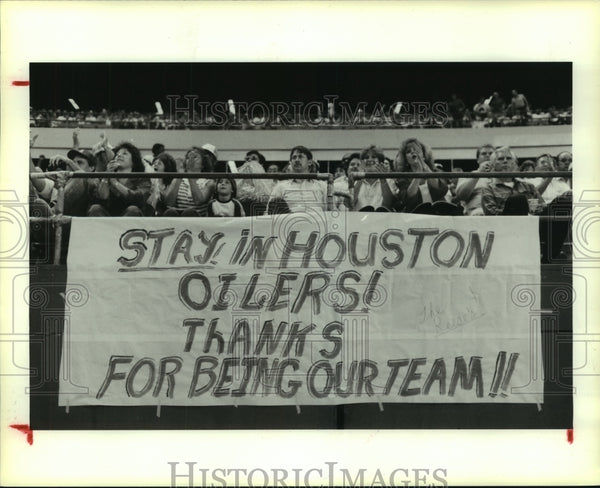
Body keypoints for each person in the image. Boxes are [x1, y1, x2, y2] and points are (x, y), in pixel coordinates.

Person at [87, 142, 152, 216]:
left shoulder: (142, 178)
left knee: (133, 209)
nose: (119, 155)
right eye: (117, 154)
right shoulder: (107, 174)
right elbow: (102, 198)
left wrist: (115, 183)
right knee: (95, 208)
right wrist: (106, 175)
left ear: (134, 160)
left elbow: (137, 198)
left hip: (131, 215)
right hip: (109, 216)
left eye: (124, 153)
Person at [481, 146, 544, 215]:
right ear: (493, 165)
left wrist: (537, 209)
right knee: (518, 198)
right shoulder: (488, 188)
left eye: (509, 158)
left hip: (532, 222)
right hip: (505, 223)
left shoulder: (528, 186)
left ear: (514, 163)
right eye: (500, 159)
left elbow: (543, 206)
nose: (505, 161)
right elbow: (491, 213)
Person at [393, 138, 448, 212]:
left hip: (438, 214)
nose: (413, 152)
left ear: (424, 155)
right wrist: (418, 171)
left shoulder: (435, 171)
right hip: (416, 217)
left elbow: (442, 189)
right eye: (409, 151)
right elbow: (407, 199)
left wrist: (424, 167)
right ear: (406, 160)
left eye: (416, 150)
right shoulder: (403, 178)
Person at [267, 145, 327, 213]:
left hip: (317, 222)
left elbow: (331, 212)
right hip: (289, 222)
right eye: (294, 157)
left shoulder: (322, 186)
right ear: (290, 162)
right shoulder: (280, 187)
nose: (297, 160)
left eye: (300, 157)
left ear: (309, 162)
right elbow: (269, 213)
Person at [163, 146, 216, 216]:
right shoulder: (176, 179)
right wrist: (180, 176)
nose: (191, 160)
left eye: (195, 157)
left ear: (203, 163)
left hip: (196, 218)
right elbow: (169, 203)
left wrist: (190, 172)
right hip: (179, 215)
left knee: (189, 213)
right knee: (170, 212)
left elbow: (198, 201)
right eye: (188, 158)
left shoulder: (209, 182)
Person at [352, 145, 397, 211]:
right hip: (359, 219)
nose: (370, 160)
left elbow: (388, 205)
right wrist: (361, 176)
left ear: (380, 161)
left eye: (374, 157)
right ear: (362, 162)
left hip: (381, 219)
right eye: (366, 157)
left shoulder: (389, 181)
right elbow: (351, 203)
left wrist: (382, 179)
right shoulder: (356, 181)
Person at [455, 144, 495, 216]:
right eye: (484, 153)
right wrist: (479, 173)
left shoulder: (503, 176)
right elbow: (460, 196)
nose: (487, 155)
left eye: (491, 153)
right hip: (476, 212)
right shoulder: (467, 175)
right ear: (478, 160)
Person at [236, 150, 274, 216]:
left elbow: (266, 195)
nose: (249, 161)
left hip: (259, 208)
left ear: (260, 164)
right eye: (247, 159)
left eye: (253, 159)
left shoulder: (267, 181)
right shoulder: (240, 177)